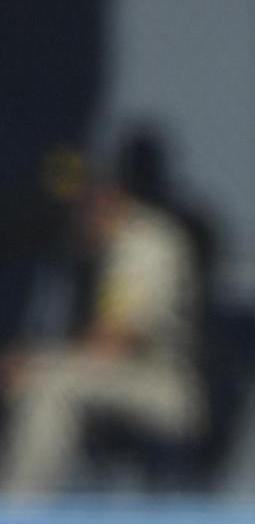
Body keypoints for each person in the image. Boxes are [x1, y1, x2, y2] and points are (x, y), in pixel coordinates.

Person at [1, 161, 202, 501]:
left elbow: (113, 345)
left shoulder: (144, 243)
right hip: (119, 379)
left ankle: (16, 519)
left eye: (83, 205)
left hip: (167, 388)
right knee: (34, 377)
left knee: (51, 385)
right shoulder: (76, 254)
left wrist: (33, 365)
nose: (76, 217)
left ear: (110, 197)